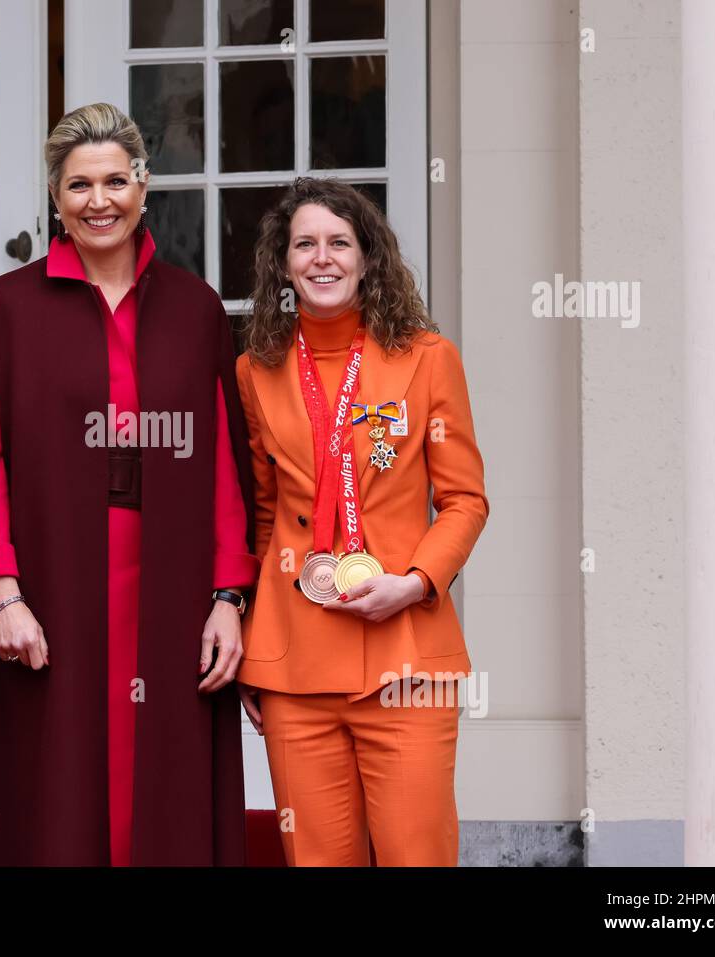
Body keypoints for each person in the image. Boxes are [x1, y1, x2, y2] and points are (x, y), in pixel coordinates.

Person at [0, 102, 259, 865]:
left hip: (171, 583)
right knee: (51, 787)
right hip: (50, 581)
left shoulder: (196, 309)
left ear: (145, 188)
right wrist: (2, 590)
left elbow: (222, 465)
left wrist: (228, 595)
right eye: (79, 184)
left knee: (163, 788)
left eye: (117, 180)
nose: (100, 200)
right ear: (57, 198)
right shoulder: (7, 305)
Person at [235, 177, 488, 866]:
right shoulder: (255, 371)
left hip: (406, 652)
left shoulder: (429, 359)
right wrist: (255, 649)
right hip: (295, 664)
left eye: (339, 242)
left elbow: (465, 499)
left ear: (368, 256)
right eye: (305, 244)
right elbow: (263, 517)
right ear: (283, 264)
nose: (323, 258)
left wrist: (415, 581)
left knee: (417, 855)